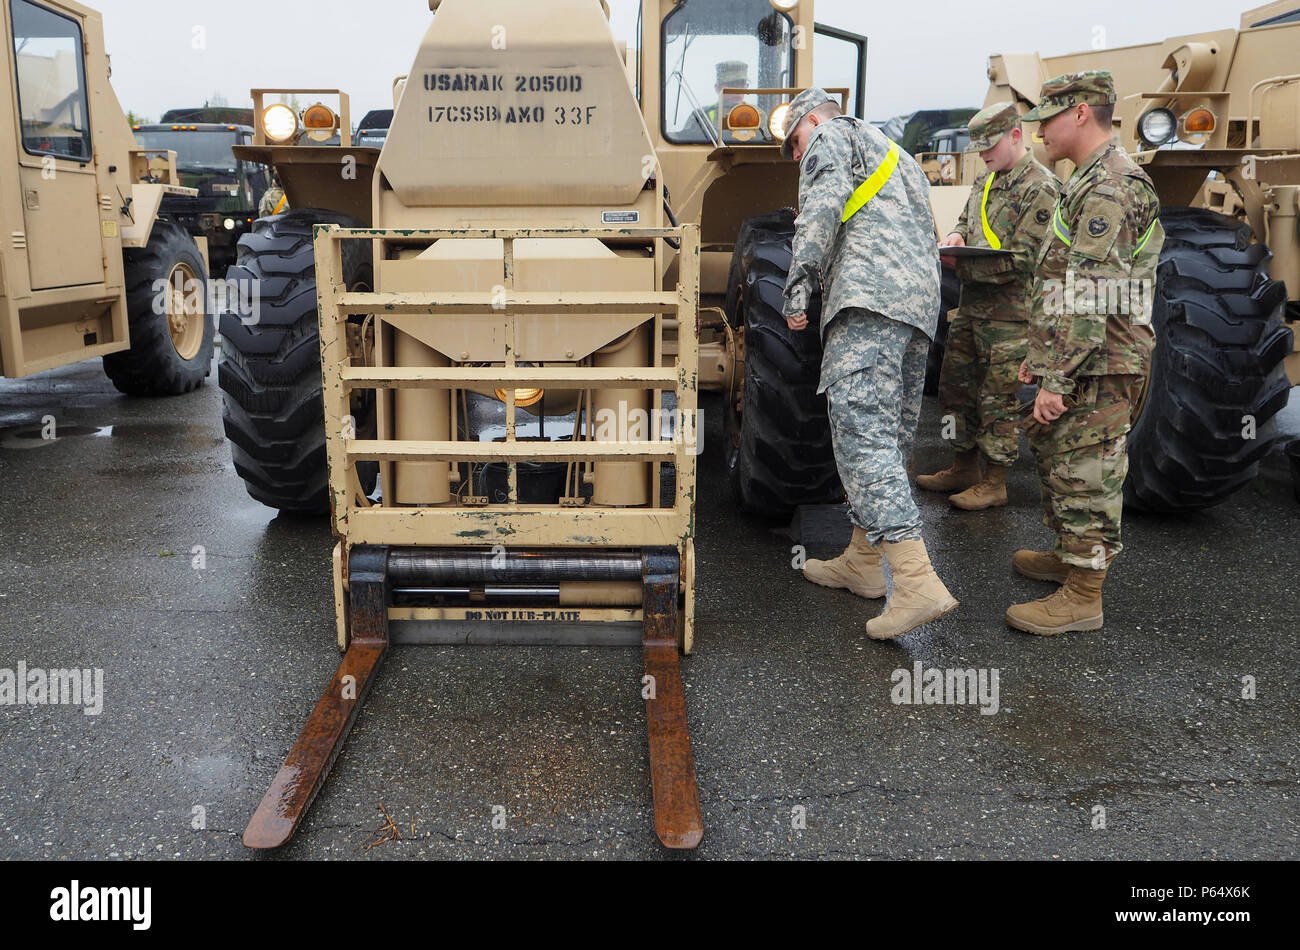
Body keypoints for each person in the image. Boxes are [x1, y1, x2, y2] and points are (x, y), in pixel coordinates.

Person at [781, 88, 958, 641]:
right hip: (916, 306)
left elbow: (822, 207)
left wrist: (798, 285)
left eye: (792, 143)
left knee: (862, 436)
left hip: (867, 299)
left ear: (811, 119)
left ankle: (915, 581)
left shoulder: (830, 136)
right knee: (891, 436)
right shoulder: (899, 155)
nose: (794, 157)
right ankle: (862, 560)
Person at [1008, 71, 1163, 636]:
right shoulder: (1088, 181)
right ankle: (1070, 554)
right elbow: (1062, 283)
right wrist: (1041, 357)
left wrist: (1059, 378)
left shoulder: (1110, 189)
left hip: (1101, 362)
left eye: (1046, 118)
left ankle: (1083, 594)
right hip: (1079, 357)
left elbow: (1093, 296)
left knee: (1087, 470)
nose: (1039, 130)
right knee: (1059, 457)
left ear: (1079, 114)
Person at [919, 102, 1059, 511]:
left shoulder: (1041, 187)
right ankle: (963, 466)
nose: (982, 154)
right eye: (978, 147)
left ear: (1016, 135)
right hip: (972, 309)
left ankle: (995, 480)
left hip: (1011, 318)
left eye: (989, 145)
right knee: (956, 388)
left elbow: (1025, 259)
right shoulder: (986, 180)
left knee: (999, 399)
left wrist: (961, 266)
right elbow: (965, 221)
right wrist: (957, 238)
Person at [691, 61, 750, 142]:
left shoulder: (760, 115)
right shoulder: (700, 116)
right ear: (717, 87)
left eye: (741, 84)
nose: (738, 89)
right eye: (731, 84)